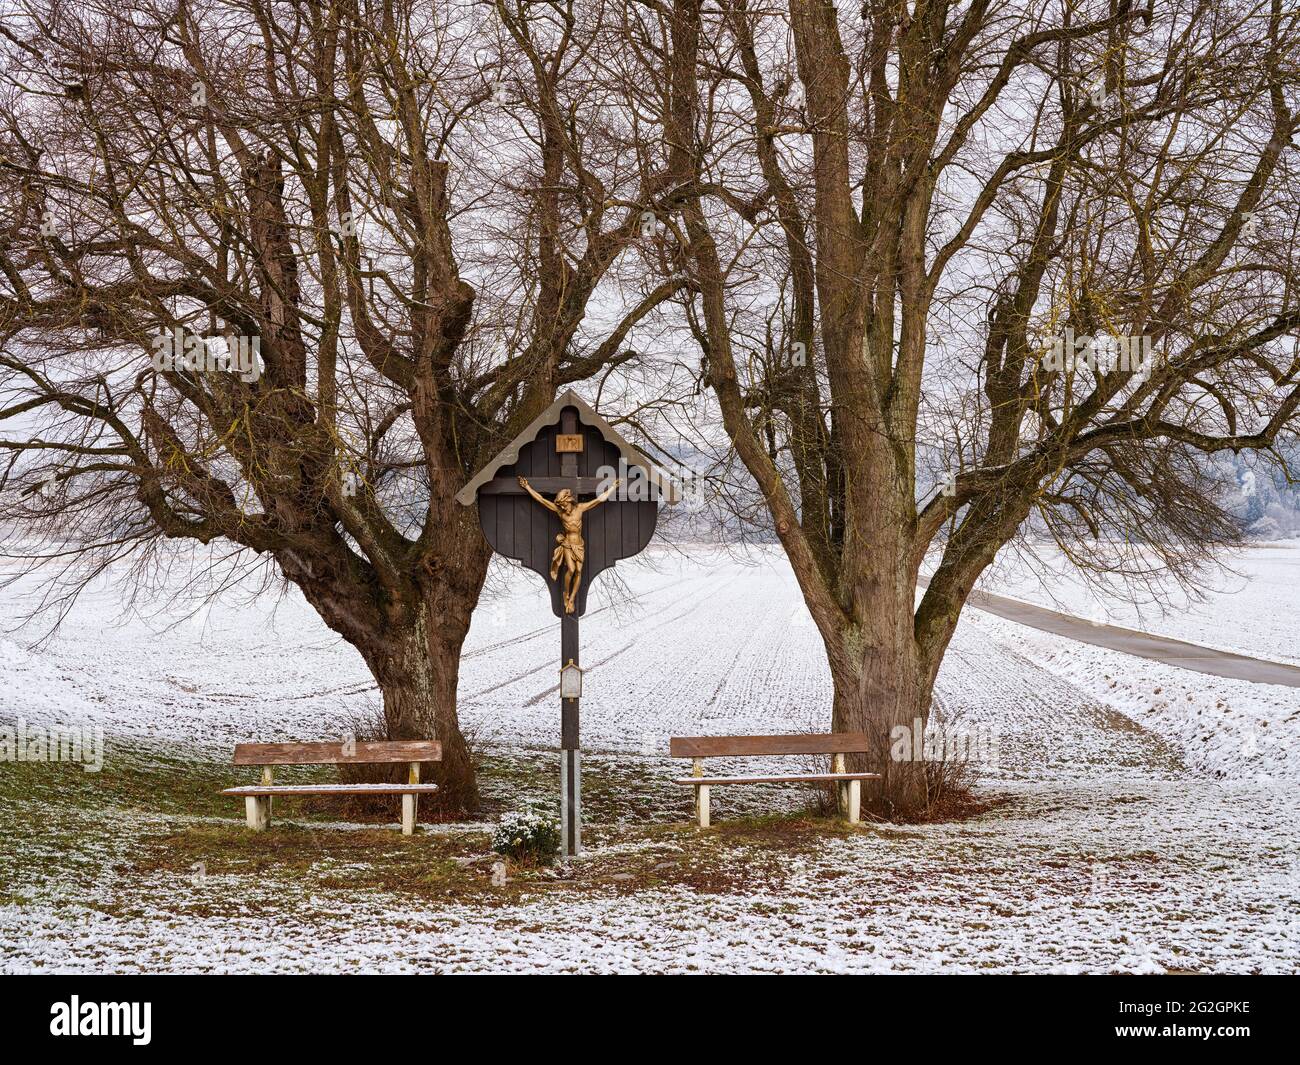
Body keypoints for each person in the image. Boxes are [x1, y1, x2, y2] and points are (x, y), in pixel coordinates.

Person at [517, 475, 620, 613]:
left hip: (579, 545)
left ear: (569, 501)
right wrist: (527, 487)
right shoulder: (560, 512)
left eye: (565, 505)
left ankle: (571, 599)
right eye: (562, 506)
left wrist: (613, 487)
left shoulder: (580, 509)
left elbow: (599, 500)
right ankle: (566, 593)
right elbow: (541, 500)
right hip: (567, 544)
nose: (564, 508)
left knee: (578, 571)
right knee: (571, 570)